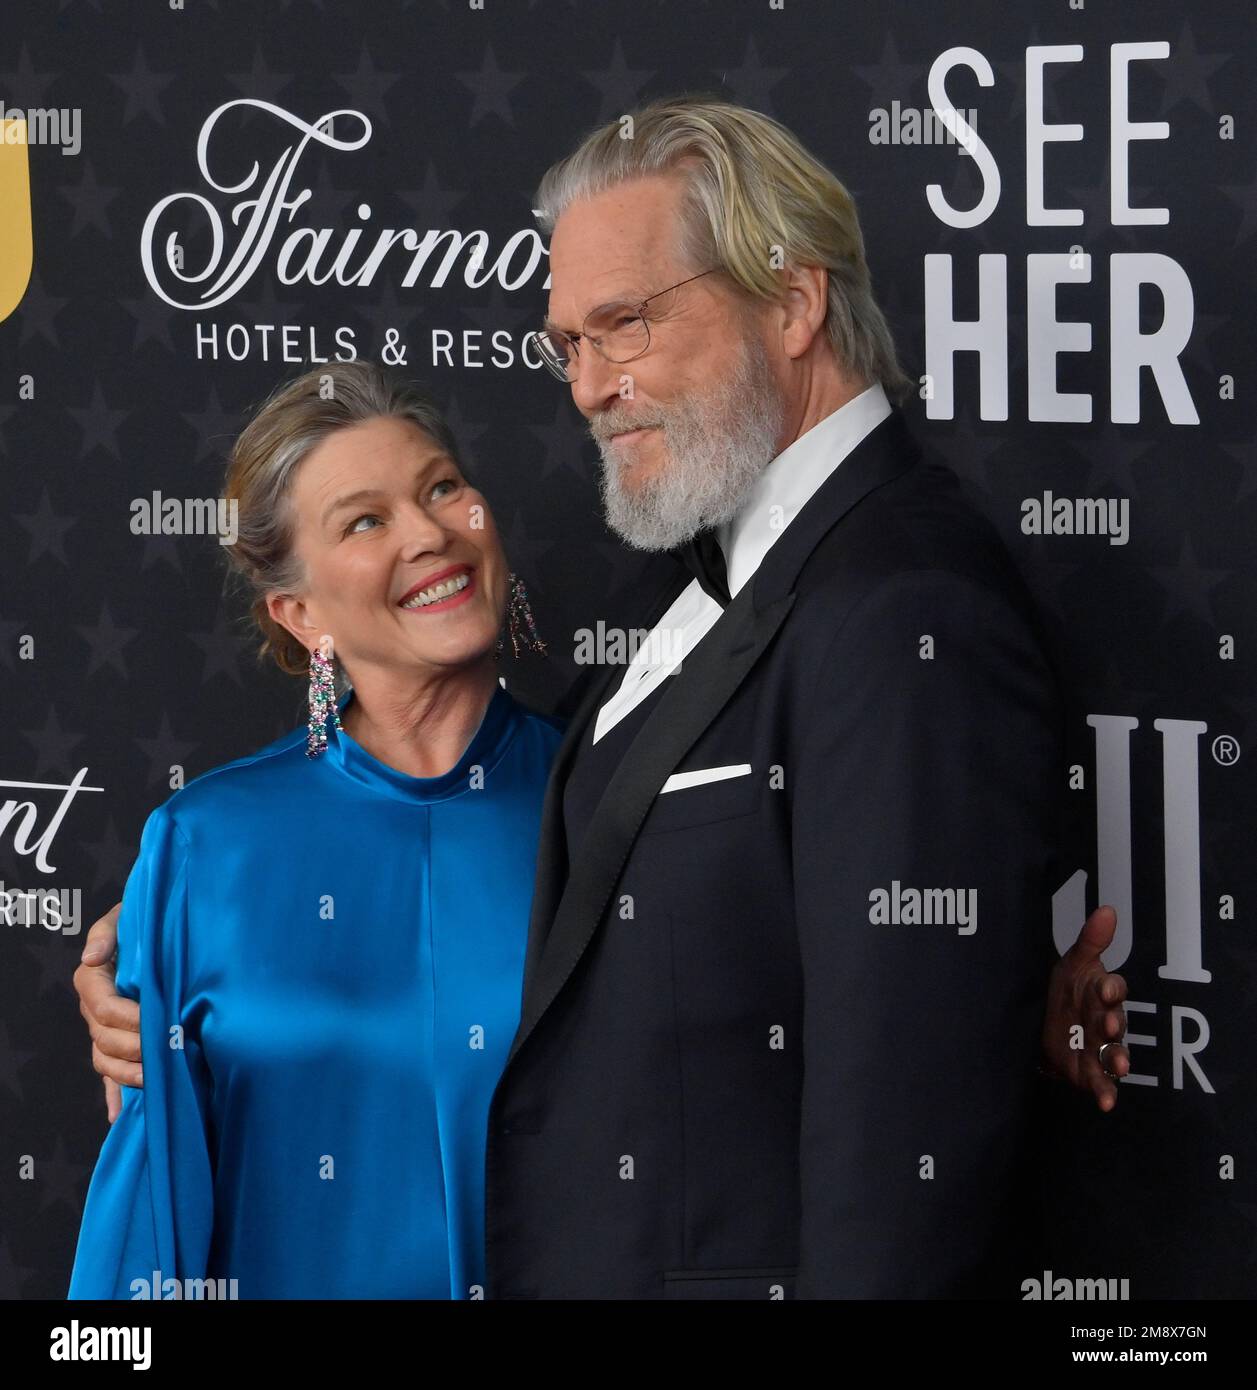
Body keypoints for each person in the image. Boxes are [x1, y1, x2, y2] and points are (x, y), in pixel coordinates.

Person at [75, 96, 1133, 1300]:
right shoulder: (677, 622)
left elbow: (895, 1126)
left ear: (793, 303)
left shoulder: (901, 600)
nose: (586, 387)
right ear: (296, 612)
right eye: (566, 343)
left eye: (622, 324)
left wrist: (987, 990)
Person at [68, 361, 561, 1298]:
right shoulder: (201, 846)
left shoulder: (609, 804)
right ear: (297, 614)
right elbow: (151, 1228)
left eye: (442, 488)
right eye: (365, 521)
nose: (428, 534)